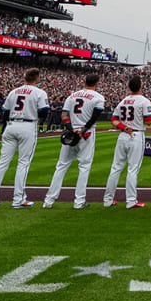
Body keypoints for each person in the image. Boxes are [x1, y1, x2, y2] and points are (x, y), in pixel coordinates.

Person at [0, 68, 49, 209]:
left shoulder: (13, 92)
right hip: (27, 125)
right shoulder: (39, 92)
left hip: (11, 125)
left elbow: (5, 112)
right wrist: (31, 111)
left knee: (2, 163)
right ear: (37, 79)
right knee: (23, 164)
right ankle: (18, 199)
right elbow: (45, 111)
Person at [44, 74, 106, 209]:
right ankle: (79, 202)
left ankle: (48, 201)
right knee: (84, 167)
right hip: (86, 135)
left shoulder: (72, 96)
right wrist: (82, 131)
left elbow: (64, 115)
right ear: (97, 83)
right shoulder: (98, 97)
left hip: (71, 134)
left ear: (85, 82)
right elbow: (94, 118)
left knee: (61, 166)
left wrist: (71, 130)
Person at [103, 75, 151, 208]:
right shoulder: (144, 101)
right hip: (137, 134)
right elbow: (148, 122)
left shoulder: (123, 101)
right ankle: (131, 201)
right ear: (141, 86)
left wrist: (124, 127)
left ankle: (108, 200)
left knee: (116, 167)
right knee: (132, 169)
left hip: (123, 134)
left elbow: (114, 120)